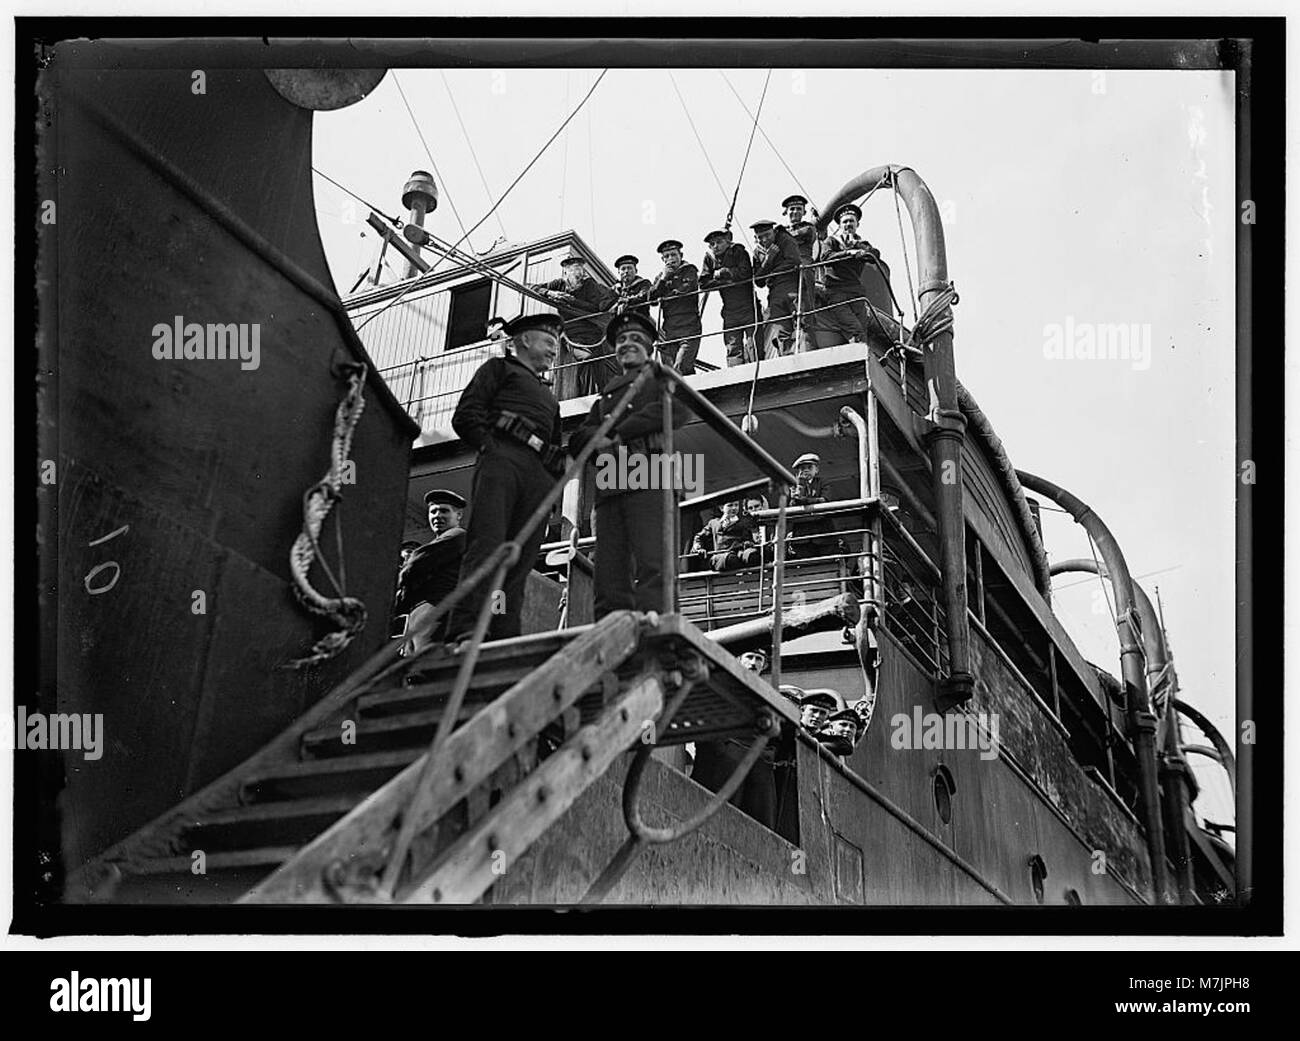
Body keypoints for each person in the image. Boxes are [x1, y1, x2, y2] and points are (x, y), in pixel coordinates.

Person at [446, 313, 567, 643]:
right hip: (503, 462)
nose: (554, 350)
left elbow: (555, 447)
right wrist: (492, 448)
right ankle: (466, 629)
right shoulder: (497, 370)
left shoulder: (550, 400)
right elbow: (466, 416)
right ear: (525, 340)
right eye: (549, 342)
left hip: (536, 476)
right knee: (487, 546)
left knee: (520, 560)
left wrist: (550, 486)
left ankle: (501, 633)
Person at [568, 310, 685, 617]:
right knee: (608, 567)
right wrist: (598, 440)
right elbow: (579, 437)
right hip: (612, 477)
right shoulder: (606, 394)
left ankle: (657, 627)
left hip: (653, 470)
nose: (626, 344)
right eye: (620, 340)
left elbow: (678, 411)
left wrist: (619, 432)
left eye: (635, 339)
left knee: (654, 560)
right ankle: (611, 626)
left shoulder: (662, 377)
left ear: (649, 345)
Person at [692, 643, 778, 830]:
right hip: (723, 755)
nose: (754, 663)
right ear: (739, 659)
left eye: (759, 660)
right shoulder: (720, 684)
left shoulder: (766, 696)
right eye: (750, 657)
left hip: (751, 761)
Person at [529, 254, 618, 397]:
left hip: (593, 333)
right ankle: (588, 395)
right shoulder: (559, 285)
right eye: (575, 269)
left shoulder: (590, 285)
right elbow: (531, 287)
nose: (579, 272)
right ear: (566, 271)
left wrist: (572, 301)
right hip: (572, 334)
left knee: (601, 365)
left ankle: (602, 394)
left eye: (581, 269)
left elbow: (596, 308)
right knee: (587, 359)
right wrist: (550, 293)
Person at [396, 490, 468, 653]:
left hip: (436, 612)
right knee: (413, 672)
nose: (437, 516)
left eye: (444, 511)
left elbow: (415, 565)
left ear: (458, 515)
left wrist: (400, 580)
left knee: (427, 667)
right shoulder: (438, 542)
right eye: (433, 511)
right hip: (418, 616)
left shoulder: (457, 535)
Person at [819, 203, 885, 346]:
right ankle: (863, 355)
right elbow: (826, 257)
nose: (848, 224)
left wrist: (858, 246)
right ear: (839, 225)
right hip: (836, 291)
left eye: (851, 221)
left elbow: (875, 256)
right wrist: (848, 253)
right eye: (845, 222)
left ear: (857, 224)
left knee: (862, 328)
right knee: (855, 330)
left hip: (856, 291)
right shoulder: (831, 241)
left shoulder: (861, 243)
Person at [699, 229, 758, 366]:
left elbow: (746, 273)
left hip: (748, 307)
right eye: (712, 244)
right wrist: (725, 281)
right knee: (732, 348)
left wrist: (725, 272)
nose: (715, 246)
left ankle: (759, 374)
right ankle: (737, 378)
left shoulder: (738, 252)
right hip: (730, 311)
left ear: (728, 241)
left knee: (753, 345)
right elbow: (703, 283)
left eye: (719, 242)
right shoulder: (710, 259)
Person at [646, 239, 702, 375]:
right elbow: (651, 299)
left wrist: (665, 294)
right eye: (666, 256)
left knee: (681, 367)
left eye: (673, 255)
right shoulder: (661, 277)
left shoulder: (690, 270)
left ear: (680, 256)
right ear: (662, 259)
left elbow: (685, 291)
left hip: (688, 327)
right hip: (669, 330)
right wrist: (664, 279)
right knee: (670, 372)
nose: (670, 259)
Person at [750, 218, 802, 358]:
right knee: (780, 327)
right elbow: (759, 281)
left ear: (773, 232)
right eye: (760, 237)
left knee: (802, 321)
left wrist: (772, 273)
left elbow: (794, 260)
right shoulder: (757, 253)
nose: (764, 239)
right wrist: (768, 260)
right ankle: (786, 356)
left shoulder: (785, 239)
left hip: (792, 285)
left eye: (767, 235)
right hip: (774, 292)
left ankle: (806, 352)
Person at [782, 194, 823, 351]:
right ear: (786, 212)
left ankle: (808, 348)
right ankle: (786, 353)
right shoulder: (782, 232)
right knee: (784, 316)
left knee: (805, 313)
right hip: (785, 275)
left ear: (804, 212)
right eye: (792, 209)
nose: (795, 212)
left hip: (803, 271)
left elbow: (805, 235)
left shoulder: (808, 228)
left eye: (799, 209)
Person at [690, 499, 760, 572]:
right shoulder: (714, 523)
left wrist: (748, 543)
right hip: (722, 555)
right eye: (730, 505)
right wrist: (698, 548)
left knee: (752, 555)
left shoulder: (743, 522)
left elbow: (748, 538)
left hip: (740, 552)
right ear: (721, 508)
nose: (734, 508)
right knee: (730, 559)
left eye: (736, 505)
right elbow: (699, 537)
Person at [612, 254, 653, 320]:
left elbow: (644, 296)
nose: (626, 271)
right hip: (619, 324)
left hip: (638, 321)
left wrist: (628, 301)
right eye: (623, 269)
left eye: (629, 268)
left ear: (636, 271)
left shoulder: (644, 283)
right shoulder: (615, 289)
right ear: (619, 272)